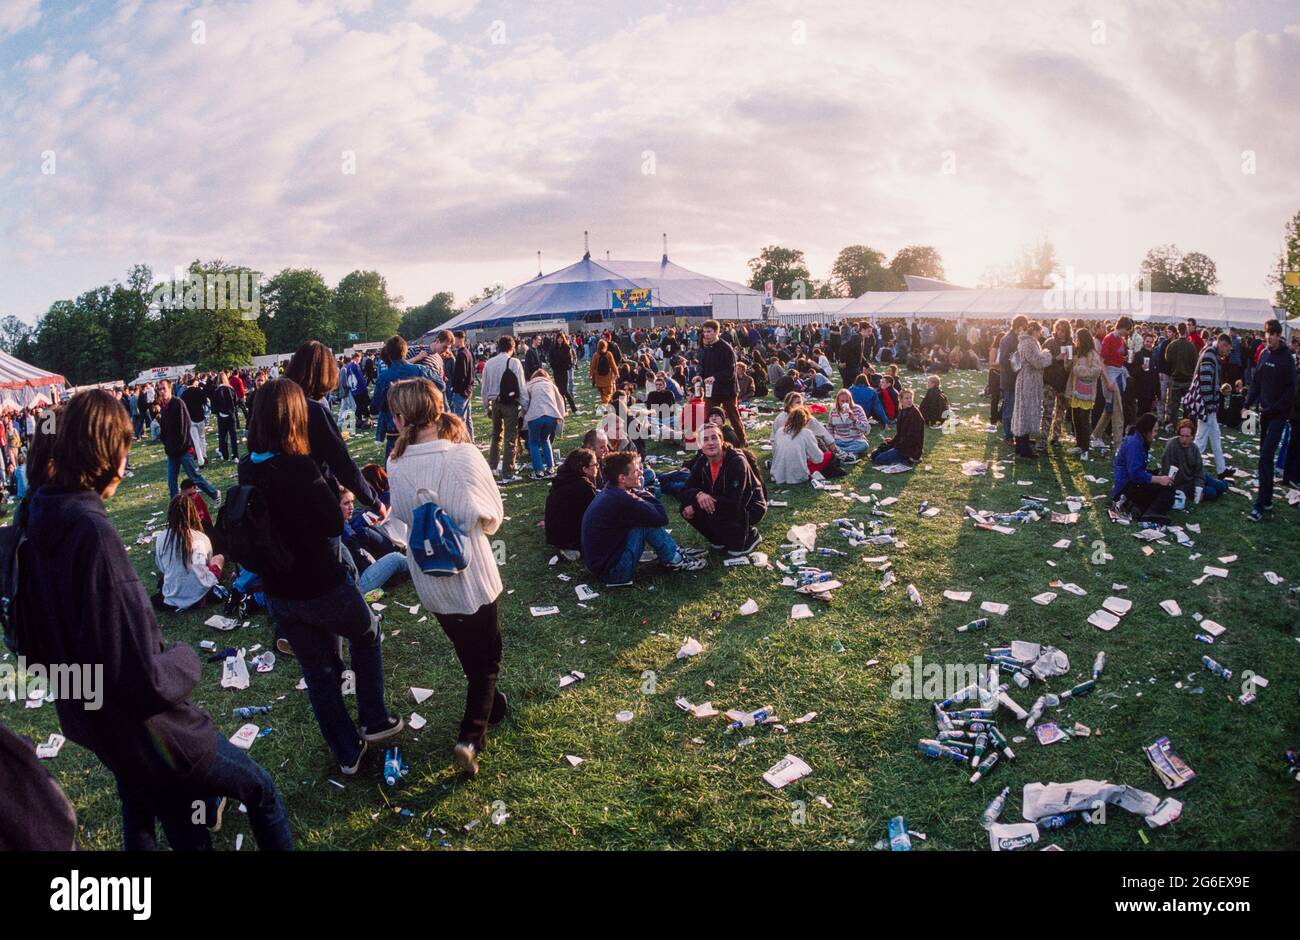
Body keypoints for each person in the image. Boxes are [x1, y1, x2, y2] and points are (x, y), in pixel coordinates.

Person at [20, 390, 292, 851]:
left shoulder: (36, 518)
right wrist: (185, 660)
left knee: (163, 815)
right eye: (122, 451)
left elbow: (29, 637)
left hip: (93, 720)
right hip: (148, 726)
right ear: (102, 453)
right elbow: (140, 675)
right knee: (259, 789)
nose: (126, 468)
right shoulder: (91, 532)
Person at [240, 379, 402, 776]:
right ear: (293, 419)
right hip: (321, 582)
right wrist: (330, 487)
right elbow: (332, 520)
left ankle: (346, 751)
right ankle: (373, 717)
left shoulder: (248, 466)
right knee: (367, 633)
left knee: (319, 673)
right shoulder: (298, 466)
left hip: (280, 590)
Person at [386, 379, 507, 777]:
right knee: (487, 656)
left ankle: (495, 704)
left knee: (468, 648)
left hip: (427, 573)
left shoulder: (397, 461)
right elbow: (492, 516)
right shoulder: (462, 455)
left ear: (402, 416)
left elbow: (402, 515)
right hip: (469, 570)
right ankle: (471, 737)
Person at [581, 450, 708, 585]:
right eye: (636, 471)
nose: (641, 473)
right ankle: (675, 559)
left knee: (643, 516)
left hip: (601, 566)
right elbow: (661, 517)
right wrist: (643, 491)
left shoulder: (611, 490)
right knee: (644, 523)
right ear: (622, 478)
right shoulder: (623, 498)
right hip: (614, 573)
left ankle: (673, 551)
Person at [677, 424, 766, 555]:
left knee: (735, 551)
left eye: (714, 438)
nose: (711, 443)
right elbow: (685, 490)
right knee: (685, 507)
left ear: (722, 440)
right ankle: (718, 538)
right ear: (700, 445)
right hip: (720, 501)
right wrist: (699, 494)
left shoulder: (736, 461)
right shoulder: (702, 461)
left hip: (748, 506)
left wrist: (697, 505)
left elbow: (735, 501)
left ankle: (750, 535)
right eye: (705, 439)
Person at [1244, 318, 1297, 521]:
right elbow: (1257, 381)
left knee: (1266, 457)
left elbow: (1290, 391)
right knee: (1263, 458)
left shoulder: (1287, 359)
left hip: (1279, 416)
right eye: (1266, 335)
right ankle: (1266, 500)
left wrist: (1274, 408)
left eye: (1271, 335)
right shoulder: (1264, 354)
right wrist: (1247, 403)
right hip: (1264, 414)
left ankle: (1260, 505)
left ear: (1278, 335)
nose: (1268, 339)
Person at [373, 334, 444, 459]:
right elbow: (441, 385)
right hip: (419, 428)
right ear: (405, 351)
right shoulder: (420, 370)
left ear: (388, 354)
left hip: (395, 432)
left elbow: (375, 407)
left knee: (395, 471)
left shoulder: (383, 378)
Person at [152, 493, 225, 612]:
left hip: (173, 595)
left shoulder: (161, 537)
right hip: (201, 591)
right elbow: (206, 563)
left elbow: (162, 567)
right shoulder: (201, 537)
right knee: (219, 557)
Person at [159, 379, 219, 502]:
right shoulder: (164, 407)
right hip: (171, 452)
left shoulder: (178, 403)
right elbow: (164, 429)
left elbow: (184, 427)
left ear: (170, 389)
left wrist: (181, 446)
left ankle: (214, 494)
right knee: (172, 482)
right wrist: (167, 444)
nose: (161, 391)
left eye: (164, 388)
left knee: (195, 477)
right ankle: (176, 507)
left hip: (183, 449)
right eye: (159, 389)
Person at [1111, 412, 1175, 526]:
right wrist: (1159, 479)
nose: (1155, 434)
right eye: (1154, 431)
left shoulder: (1138, 439)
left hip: (1128, 484)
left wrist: (1155, 475)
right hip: (1126, 487)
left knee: (1162, 484)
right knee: (1167, 489)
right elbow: (1135, 475)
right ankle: (1150, 514)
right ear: (1147, 430)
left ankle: (1138, 508)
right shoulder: (1135, 444)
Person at [481, 335, 530, 482]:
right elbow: (521, 386)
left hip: (495, 403)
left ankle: (493, 467)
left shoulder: (489, 363)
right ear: (512, 347)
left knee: (496, 436)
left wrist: (487, 405)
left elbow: (484, 388)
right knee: (510, 437)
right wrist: (526, 406)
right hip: (510, 404)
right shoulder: (514, 362)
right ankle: (508, 472)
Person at [1187, 332, 1231, 479]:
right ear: (1223, 345)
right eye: (1228, 349)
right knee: (1201, 440)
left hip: (1207, 404)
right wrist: (1210, 404)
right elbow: (1205, 383)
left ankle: (1221, 469)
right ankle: (1189, 469)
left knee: (1214, 437)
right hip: (1207, 405)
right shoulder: (1210, 356)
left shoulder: (1210, 354)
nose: (1227, 352)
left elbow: (1207, 381)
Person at [699, 319, 747, 446]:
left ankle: (742, 441)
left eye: (709, 332)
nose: (706, 334)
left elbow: (731, 371)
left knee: (733, 417)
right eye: (704, 332)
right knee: (708, 417)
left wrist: (715, 377)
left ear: (716, 332)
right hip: (711, 389)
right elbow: (703, 367)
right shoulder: (706, 348)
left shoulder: (726, 348)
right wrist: (699, 376)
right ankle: (706, 441)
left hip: (727, 389)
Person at [545, 447, 598, 561]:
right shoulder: (583, 485)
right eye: (595, 465)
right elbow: (596, 511)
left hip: (555, 536)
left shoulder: (562, 478)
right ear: (584, 469)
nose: (597, 468)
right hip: (570, 538)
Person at [1010, 321, 1053, 458]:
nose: (1041, 335)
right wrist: (1047, 354)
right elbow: (1037, 361)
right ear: (1035, 330)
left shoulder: (1025, 341)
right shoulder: (1029, 343)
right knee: (1026, 411)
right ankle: (1024, 448)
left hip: (1026, 378)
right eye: (1040, 332)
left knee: (1022, 411)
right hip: (1029, 380)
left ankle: (1021, 444)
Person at [1161, 419, 1226, 506]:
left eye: (1187, 436)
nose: (1184, 439)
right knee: (1212, 492)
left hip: (1195, 477)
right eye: (1182, 436)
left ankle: (1225, 483)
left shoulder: (1194, 448)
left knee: (1221, 486)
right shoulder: (1172, 445)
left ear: (1192, 436)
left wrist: (1199, 486)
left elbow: (1199, 471)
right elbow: (1166, 470)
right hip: (1183, 484)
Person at [1065, 328, 1103, 457]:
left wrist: (1079, 369)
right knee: (1075, 419)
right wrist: (1068, 359)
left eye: (1078, 338)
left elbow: (1096, 372)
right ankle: (1078, 444)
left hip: (1086, 392)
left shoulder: (1092, 354)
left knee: (1084, 419)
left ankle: (1085, 447)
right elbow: (1068, 368)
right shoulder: (1077, 352)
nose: (1076, 341)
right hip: (1075, 391)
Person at [771, 405, 832, 484]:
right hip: (798, 476)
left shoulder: (780, 431)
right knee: (829, 455)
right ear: (805, 420)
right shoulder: (806, 433)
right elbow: (818, 459)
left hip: (777, 474)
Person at [523, 368, 567, 479]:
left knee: (533, 443)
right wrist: (561, 417)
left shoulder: (529, 386)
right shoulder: (551, 385)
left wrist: (524, 413)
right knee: (545, 440)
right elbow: (560, 401)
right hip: (551, 416)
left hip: (535, 416)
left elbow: (525, 401)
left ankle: (539, 470)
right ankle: (550, 467)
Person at [871, 387, 924, 465]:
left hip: (910, 448)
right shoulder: (903, 412)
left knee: (879, 459)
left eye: (910, 398)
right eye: (906, 398)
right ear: (901, 400)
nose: (909, 400)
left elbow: (912, 437)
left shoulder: (915, 414)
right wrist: (892, 442)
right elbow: (900, 434)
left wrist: (896, 446)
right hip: (901, 444)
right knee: (874, 455)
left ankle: (909, 459)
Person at [1163, 324, 1198, 430]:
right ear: (1186, 331)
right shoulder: (1191, 346)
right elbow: (1195, 362)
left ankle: (1174, 425)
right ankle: (1186, 425)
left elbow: (1167, 360)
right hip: (1187, 379)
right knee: (1187, 405)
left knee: (1174, 405)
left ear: (1177, 331)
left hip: (1175, 378)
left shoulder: (1172, 345)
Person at [826, 389, 872, 455]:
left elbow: (866, 429)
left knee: (864, 445)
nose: (845, 403)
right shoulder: (833, 411)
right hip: (839, 440)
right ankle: (847, 452)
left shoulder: (858, 409)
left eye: (847, 401)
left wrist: (854, 419)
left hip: (855, 440)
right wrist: (831, 441)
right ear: (838, 401)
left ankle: (840, 451)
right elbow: (830, 427)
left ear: (850, 400)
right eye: (842, 401)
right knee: (827, 444)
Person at [212, 372, 240, 461]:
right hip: (231, 415)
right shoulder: (231, 389)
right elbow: (236, 402)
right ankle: (235, 455)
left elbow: (214, 406)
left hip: (221, 416)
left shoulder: (216, 391)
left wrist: (218, 412)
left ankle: (225, 456)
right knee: (233, 437)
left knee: (223, 437)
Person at [589, 339, 618, 405]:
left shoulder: (595, 355)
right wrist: (616, 373)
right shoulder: (609, 354)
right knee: (608, 394)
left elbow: (592, 366)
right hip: (608, 378)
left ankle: (605, 404)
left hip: (598, 378)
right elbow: (613, 365)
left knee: (602, 394)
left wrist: (591, 375)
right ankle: (604, 405)